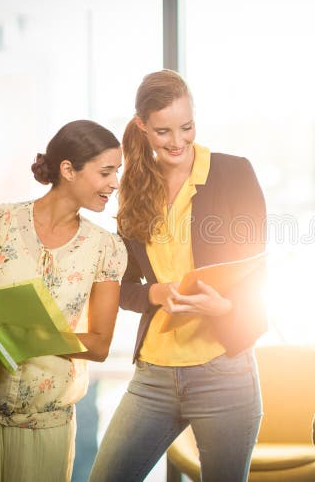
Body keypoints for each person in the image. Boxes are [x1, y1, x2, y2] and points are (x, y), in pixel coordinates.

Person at [89, 69, 267, 482]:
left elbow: (257, 270)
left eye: (186, 127)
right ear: (142, 127)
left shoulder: (233, 173)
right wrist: (156, 294)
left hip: (224, 371)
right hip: (154, 375)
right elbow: (122, 287)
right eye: (163, 131)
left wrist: (224, 307)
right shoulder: (134, 186)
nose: (177, 141)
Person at [0, 120, 127, 482]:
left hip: (46, 424)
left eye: (116, 172)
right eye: (106, 172)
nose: (115, 183)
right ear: (68, 170)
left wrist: (32, 336)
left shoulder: (106, 249)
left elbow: (100, 344)